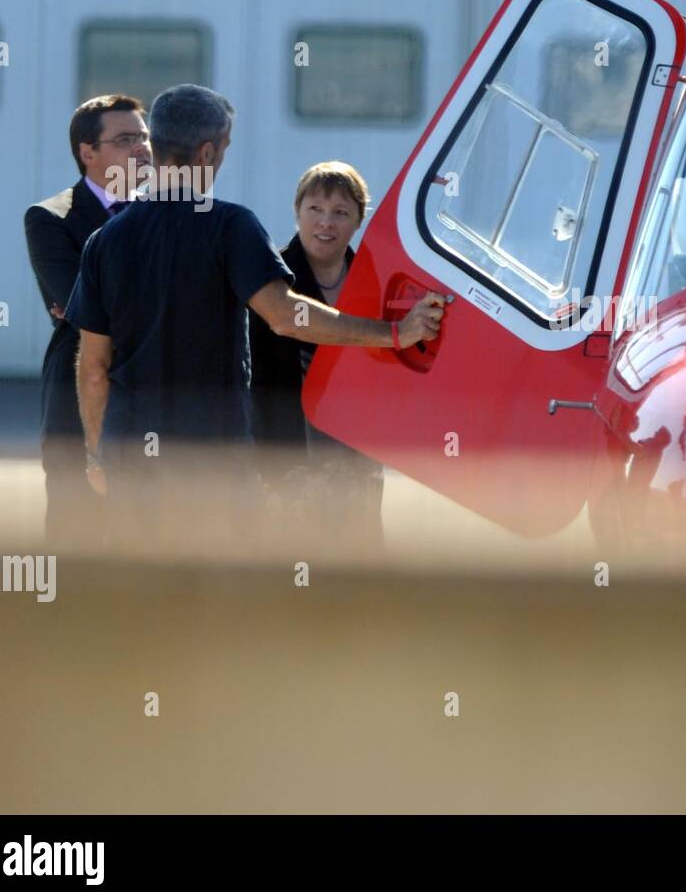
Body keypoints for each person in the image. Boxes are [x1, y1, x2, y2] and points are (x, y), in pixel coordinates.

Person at [65, 84, 443, 546]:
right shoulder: (230, 225)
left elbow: (93, 370)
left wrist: (96, 456)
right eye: (223, 148)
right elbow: (287, 317)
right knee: (219, 600)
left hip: (127, 456)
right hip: (213, 458)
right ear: (207, 153)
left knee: (142, 598)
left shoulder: (105, 240)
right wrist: (395, 333)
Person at [23, 94, 149, 544]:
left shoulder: (164, 214)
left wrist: (94, 301)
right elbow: (77, 302)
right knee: (75, 525)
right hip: (76, 387)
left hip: (148, 388)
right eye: (125, 139)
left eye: (144, 137)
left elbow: (87, 304)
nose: (142, 149)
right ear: (87, 152)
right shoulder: (50, 217)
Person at [249, 162, 386, 542]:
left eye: (341, 213)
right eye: (315, 210)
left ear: (358, 220)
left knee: (359, 570)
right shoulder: (268, 278)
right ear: (297, 212)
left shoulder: (377, 280)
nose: (326, 222)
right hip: (285, 458)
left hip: (357, 460)